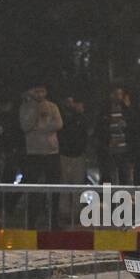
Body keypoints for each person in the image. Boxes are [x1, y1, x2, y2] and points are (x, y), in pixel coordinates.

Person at [18, 82, 62, 229]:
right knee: (33, 189)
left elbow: (58, 124)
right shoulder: (25, 107)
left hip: (52, 153)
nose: (40, 95)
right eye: (36, 92)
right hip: (34, 153)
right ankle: (31, 221)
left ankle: (54, 221)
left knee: (55, 188)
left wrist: (40, 128)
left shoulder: (52, 106)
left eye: (42, 91)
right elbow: (26, 126)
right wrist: (34, 110)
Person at [56, 93, 91, 224]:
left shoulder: (81, 118)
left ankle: (76, 213)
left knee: (77, 186)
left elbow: (85, 135)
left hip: (78, 155)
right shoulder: (62, 116)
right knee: (64, 185)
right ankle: (64, 213)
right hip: (65, 155)